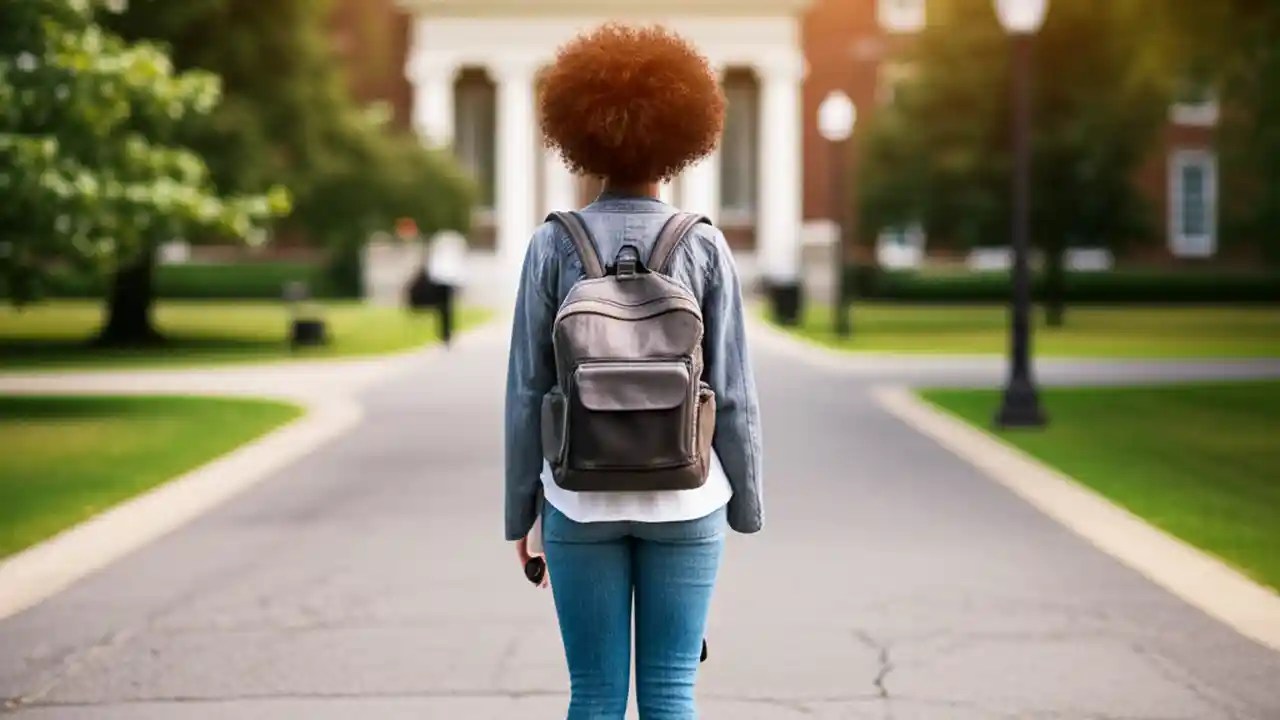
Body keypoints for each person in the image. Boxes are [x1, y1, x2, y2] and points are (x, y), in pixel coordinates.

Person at [504, 23, 764, 720]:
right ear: (684, 135)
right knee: (672, 692)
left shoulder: (551, 244)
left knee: (591, 694)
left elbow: (527, 393)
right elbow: (734, 393)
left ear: (579, 137)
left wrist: (520, 514)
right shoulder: (705, 244)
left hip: (577, 498)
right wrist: (744, 505)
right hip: (686, 496)